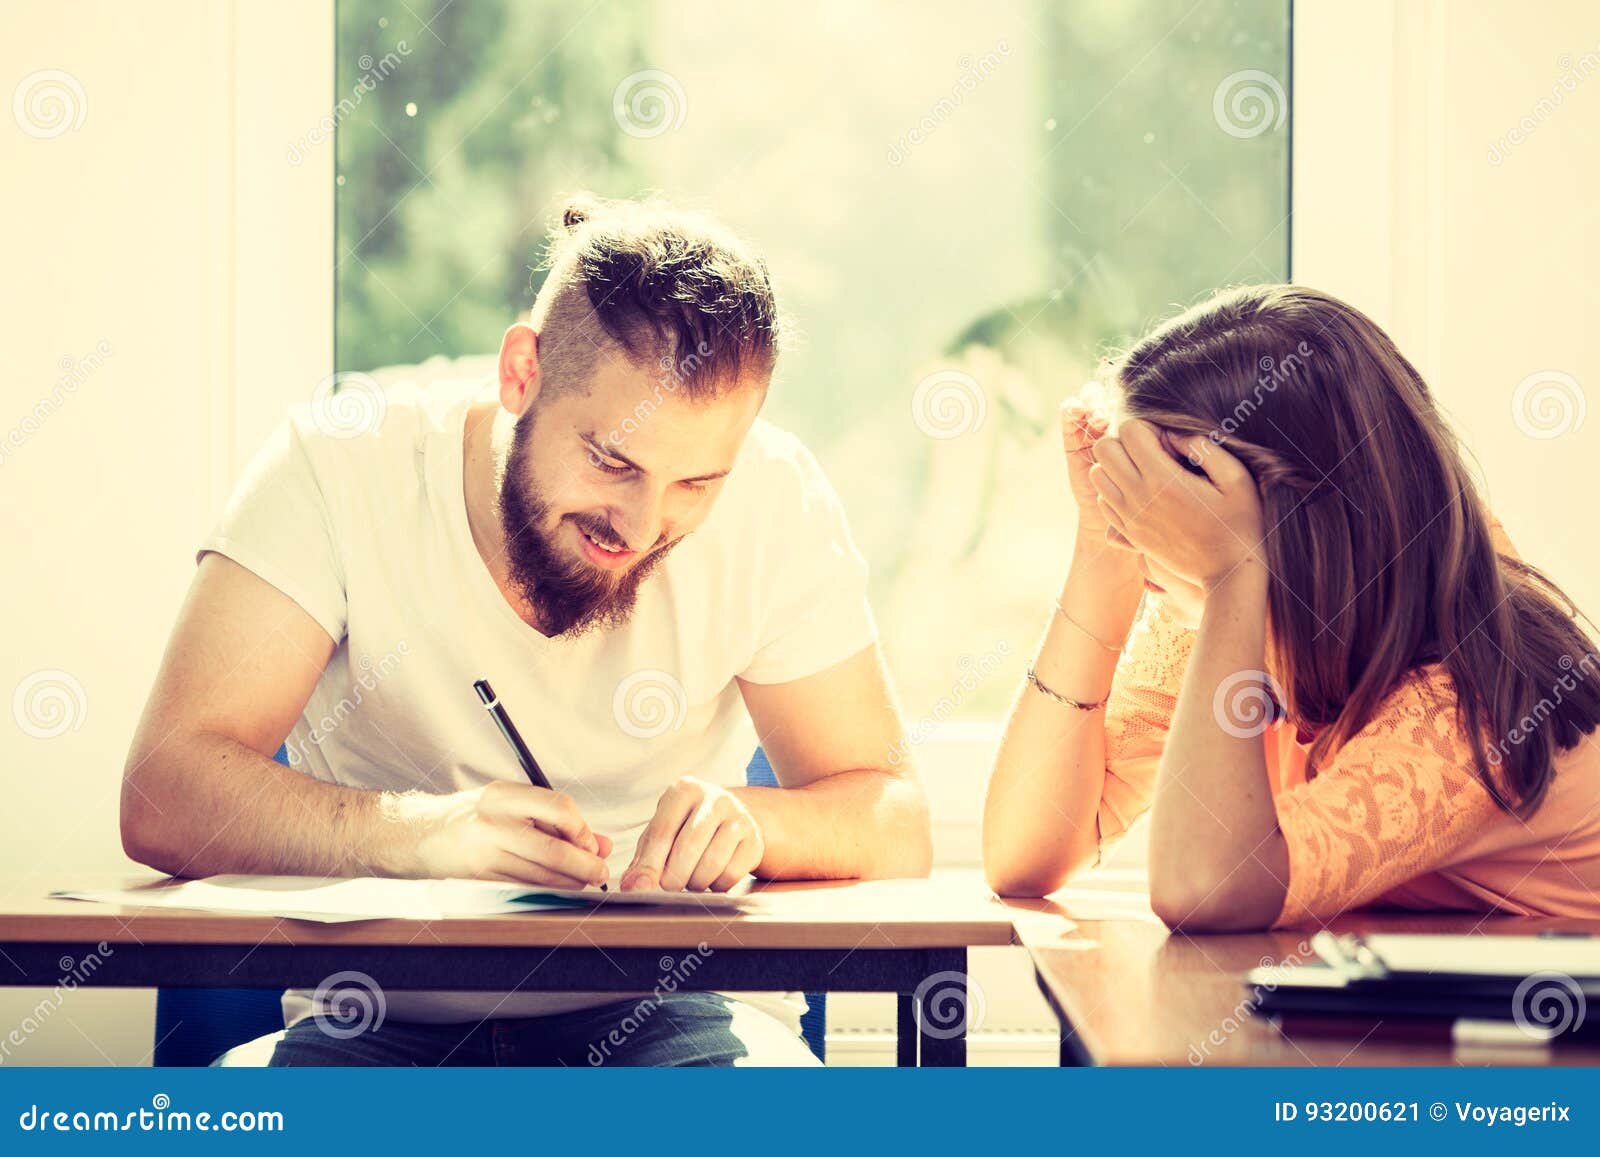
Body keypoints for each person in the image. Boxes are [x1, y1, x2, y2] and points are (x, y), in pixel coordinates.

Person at [121, 194, 931, 1065]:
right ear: (520, 373)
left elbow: (895, 816)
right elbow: (164, 791)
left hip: (676, 1012)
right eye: (612, 461)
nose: (643, 524)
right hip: (379, 1019)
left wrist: (761, 827)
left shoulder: (777, 497)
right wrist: (424, 832)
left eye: (696, 483)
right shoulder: (337, 466)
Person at [982, 284, 1600, 931]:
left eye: (1167, 495)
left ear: (1289, 521)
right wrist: (1102, 550)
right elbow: (1026, 853)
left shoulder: (1466, 701)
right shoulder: (1233, 611)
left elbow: (1202, 889)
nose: (1142, 518)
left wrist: (1229, 575)